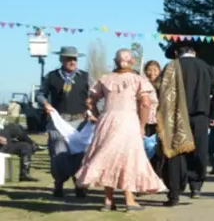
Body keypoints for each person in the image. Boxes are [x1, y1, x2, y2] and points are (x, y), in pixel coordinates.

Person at [74, 49, 165, 210]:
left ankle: (108, 201)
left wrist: (96, 115)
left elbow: (89, 101)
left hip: (107, 120)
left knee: (106, 157)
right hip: (128, 121)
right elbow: (145, 103)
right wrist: (143, 125)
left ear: (115, 61)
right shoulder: (138, 80)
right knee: (128, 158)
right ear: (131, 62)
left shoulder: (105, 79)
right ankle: (129, 200)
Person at [160, 46, 214, 205]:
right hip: (200, 116)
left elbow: (162, 91)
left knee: (176, 152)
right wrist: (213, 115)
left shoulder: (171, 66)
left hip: (176, 115)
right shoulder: (207, 68)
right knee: (199, 150)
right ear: (195, 52)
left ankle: (174, 192)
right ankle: (196, 186)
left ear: (177, 53)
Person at [38, 46, 92, 198]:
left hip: (80, 121)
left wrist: (93, 110)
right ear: (61, 59)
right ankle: (59, 183)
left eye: (74, 59)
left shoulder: (85, 77)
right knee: (58, 153)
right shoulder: (52, 76)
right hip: (58, 120)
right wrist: (45, 104)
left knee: (80, 154)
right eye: (68, 58)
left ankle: (80, 185)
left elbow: (94, 95)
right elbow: (40, 94)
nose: (72, 61)